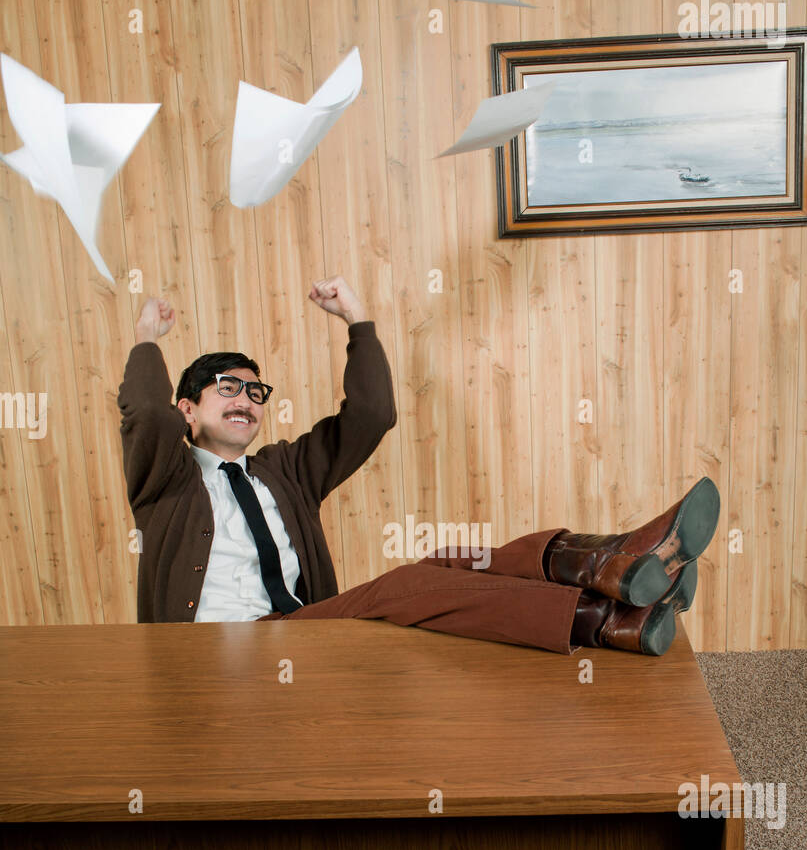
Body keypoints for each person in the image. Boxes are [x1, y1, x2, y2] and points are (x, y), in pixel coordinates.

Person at [117, 279, 719, 656]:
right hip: (210, 655)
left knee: (444, 564)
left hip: (300, 632)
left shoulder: (284, 470)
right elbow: (146, 410)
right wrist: (147, 338)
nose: (245, 400)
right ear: (188, 409)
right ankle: (611, 595)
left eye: (255, 392)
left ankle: (612, 586)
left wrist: (357, 321)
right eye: (227, 390)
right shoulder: (165, 480)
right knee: (404, 586)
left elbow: (373, 414)